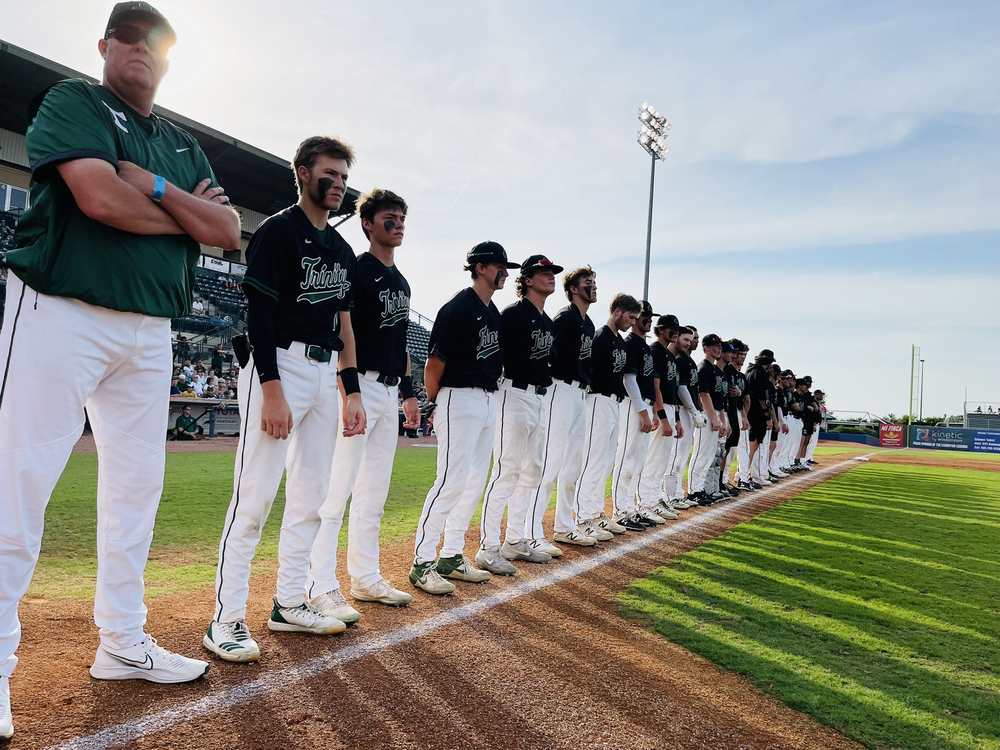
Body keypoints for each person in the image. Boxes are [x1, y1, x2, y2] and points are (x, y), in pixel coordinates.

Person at [0, 2, 243, 734]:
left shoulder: (179, 146)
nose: (142, 47)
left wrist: (157, 187)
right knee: (18, 489)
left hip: (149, 329)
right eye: (129, 36)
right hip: (58, 307)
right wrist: (180, 217)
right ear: (106, 44)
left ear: (169, 58)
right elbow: (99, 198)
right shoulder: (76, 100)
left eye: (156, 41)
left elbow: (228, 232)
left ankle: (122, 643)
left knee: (136, 496)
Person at [205, 136, 365, 663]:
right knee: (254, 495)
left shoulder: (342, 250)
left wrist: (350, 389)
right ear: (301, 173)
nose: (337, 183)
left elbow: (343, 323)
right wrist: (271, 387)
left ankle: (289, 601)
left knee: (311, 498)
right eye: (329, 174)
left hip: (324, 374)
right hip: (280, 365)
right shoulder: (278, 230)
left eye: (343, 176)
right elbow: (259, 313)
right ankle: (226, 617)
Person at [307, 189, 418, 613]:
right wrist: (348, 388)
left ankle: (366, 577)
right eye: (390, 216)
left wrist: (408, 395)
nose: (398, 223)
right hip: (358, 385)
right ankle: (319, 583)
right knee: (336, 491)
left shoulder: (401, 281)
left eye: (402, 216)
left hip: (389, 389)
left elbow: (403, 341)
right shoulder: (356, 267)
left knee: (374, 492)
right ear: (368, 223)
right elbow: (342, 331)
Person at [409, 241, 518, 594]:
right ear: (480, 267)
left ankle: (451, 554)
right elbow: (434, 363)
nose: (504, 271)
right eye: (499, 265)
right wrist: (437, 400)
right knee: (450, 481)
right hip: (459, 397)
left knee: (472, 482)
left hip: (486, 400)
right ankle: (422, 562)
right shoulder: (458, 307)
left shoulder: (492, 313)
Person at [477, 254, 563, 575]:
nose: (551, 276)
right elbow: (493, 352)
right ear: (527, 279)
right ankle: (488, 546)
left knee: (532, 471)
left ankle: (515, 539)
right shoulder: (512, 314)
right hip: (512, 394)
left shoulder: (547, 321)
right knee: (507, 469)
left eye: (553, 272)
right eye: (544, 272)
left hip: (539, 398)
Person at [527, 266, 598, 548]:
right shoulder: (566, 318)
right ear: (574, 289)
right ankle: (531, 531)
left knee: (573, 464)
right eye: (587, 283)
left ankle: (564, 526)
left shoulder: (588, 323)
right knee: (550, 462)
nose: (593, 287)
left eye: (594, 282)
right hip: (559, 388)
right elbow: (548, 355)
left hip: (579, 393)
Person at [575, 293, 642, 539]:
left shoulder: (620, 342)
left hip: (614, 402)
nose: (632, 322)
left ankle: (595, 513)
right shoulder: (601, 337)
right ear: (617, 312)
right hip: (597, 399)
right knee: (592, 460)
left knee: (603, 462)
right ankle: (582, 518)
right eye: (630, 316)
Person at [611, 301, 661, 529]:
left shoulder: (643, 345)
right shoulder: (630, 342)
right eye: (643, 316)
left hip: (645, 405)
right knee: (627, 458)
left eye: (650, 316)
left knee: (638, 460)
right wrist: (643, 412)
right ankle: (620, 510)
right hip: (633, 405)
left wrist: (653, 411)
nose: (648, 319)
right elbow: (629, 380)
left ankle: (630, 508)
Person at [636, 315, 684, 518]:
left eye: (677, 329)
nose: (675, 332)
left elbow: (671, 389)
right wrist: (662, 417)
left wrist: (677, 419)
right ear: (661, 329)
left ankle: (655, 499)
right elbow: (656, 387)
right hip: (660, 408)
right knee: (653, 459)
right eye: (672, 329)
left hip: (670, 408)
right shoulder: (655, 351)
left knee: (662, 459)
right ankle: (645, 503)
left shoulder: (668, 355)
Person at [686, 334, 730, 505]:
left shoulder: (714, 369)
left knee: (709, 455)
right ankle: (693, 491)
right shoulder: (704, 367)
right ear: (706, 348)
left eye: (720, 345)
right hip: (706, 414)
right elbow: (704, 394)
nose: (719, 348)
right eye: (715, 346)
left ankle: (700, 488)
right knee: (701, 454)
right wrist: (714, 418)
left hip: (715, 413)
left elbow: (718, 399)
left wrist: (721, 419)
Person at [663, 327, 705, 504]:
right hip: (680, 409)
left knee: (682, 455)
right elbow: (682, 388)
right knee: (676, 455)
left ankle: (677, 492)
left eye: (694, 338)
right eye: (690, 338)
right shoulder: (680, 360)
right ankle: (670, 495)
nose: (693, 341)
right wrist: (693, 410)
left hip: (686, 411)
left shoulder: (689, 360)